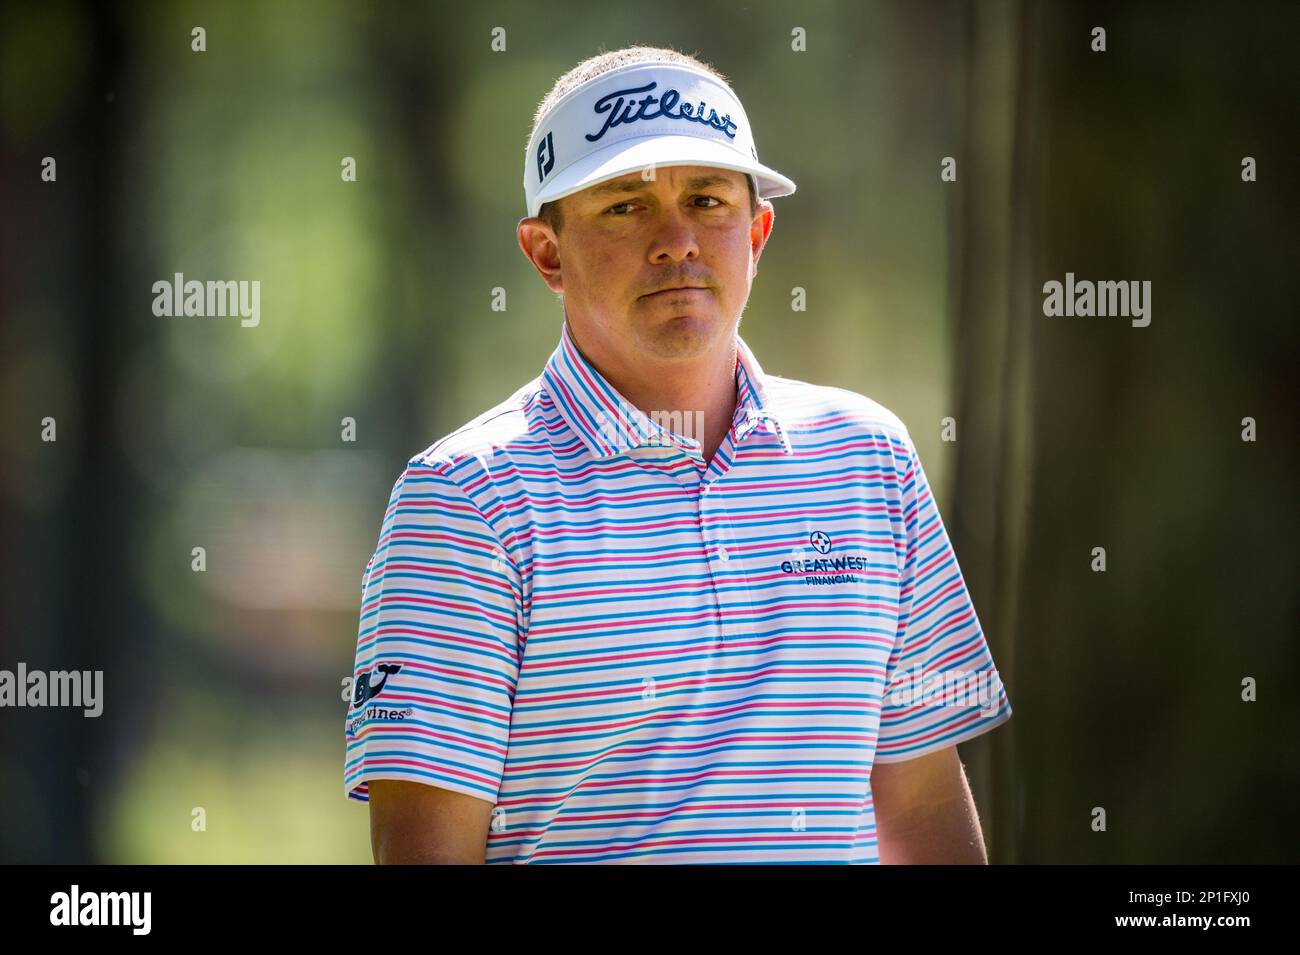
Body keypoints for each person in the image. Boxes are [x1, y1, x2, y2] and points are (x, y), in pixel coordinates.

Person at [344, 45, 1012, 864]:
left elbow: (921, 809)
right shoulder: (463, 500)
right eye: (624, 207)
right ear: (545, 252)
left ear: (757, 230)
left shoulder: (870, 458)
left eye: (707, 199)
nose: (676, 241)